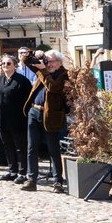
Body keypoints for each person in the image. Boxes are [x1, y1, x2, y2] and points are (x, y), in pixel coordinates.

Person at [21, 50, 70, 193]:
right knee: (31, 148)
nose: (48, 64)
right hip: (34, 111)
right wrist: (33, 54)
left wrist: (43, 70)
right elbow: (25, 61)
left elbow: (53, 87)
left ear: (59, 62)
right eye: (47, 61)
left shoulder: (63, 74)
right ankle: (31, 180)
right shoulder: (43, 69)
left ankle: (58, 182)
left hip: (51, 115)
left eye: (52, 61)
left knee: (53, 149)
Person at [0, 55, 32, 183]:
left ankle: (22, 172)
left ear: (15, 65)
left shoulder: (22, 80)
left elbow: (28, 100)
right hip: (2, 118)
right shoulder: (0, 79)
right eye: (3, 64)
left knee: (20, 147)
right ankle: (12, 170)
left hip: (17, 119)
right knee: (7, 146)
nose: (5, 66)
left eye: (8, 63)